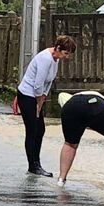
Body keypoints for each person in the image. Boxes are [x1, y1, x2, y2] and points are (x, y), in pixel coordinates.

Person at [17, 34, 73, 178]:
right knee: (32, 130)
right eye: (65, 53)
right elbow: (38, 83)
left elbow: (49, 82)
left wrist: (44, 97)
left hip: (38, 95)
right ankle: (33, 166)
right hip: (27, 95)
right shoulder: (46, 58)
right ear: (58, 48)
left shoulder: (56, 59)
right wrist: (38, 100)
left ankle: (37, 163)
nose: (66, 57)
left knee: (40, 129)